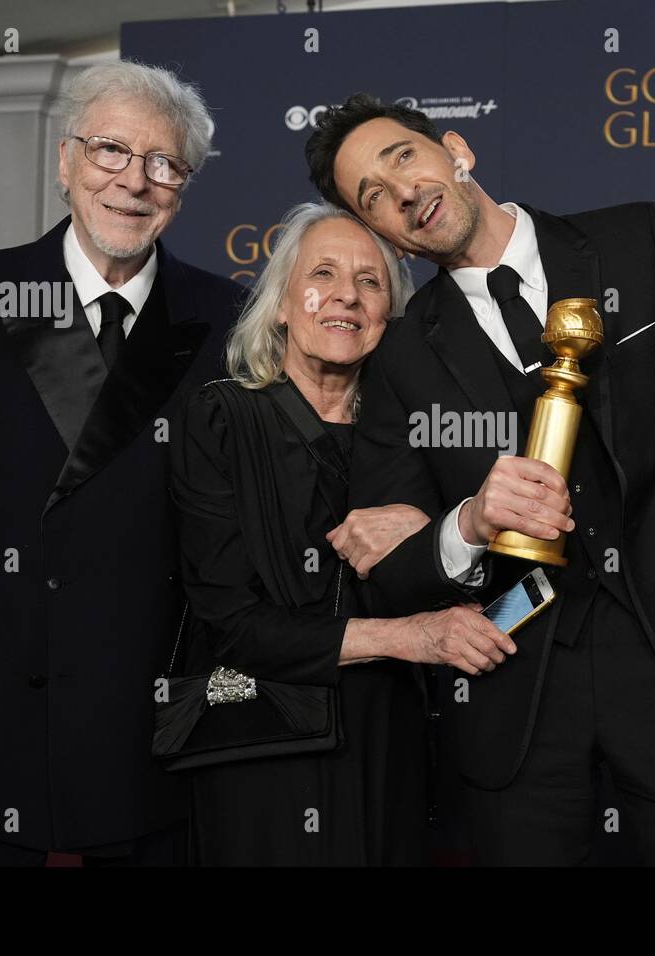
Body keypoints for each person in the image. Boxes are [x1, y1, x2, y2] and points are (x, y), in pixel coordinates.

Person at [305, 94, 655, 865]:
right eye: (371, 198)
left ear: (455, 149)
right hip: (516, 700)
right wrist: (467, 523)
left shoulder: (633, 242)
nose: (401, 193)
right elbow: (392, 574)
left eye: (402, 159)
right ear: (381, 232)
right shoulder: (404, 355)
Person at [0, 61, 242, 865]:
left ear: (184, 186)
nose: (135, 181)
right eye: (109, 151)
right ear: (64, 161)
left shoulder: (228, 315)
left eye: (164, 163)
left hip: (158, 740)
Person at [170, 201, 514, 865]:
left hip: (393, 744)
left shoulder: (424, 439)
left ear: (391, 317)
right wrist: (409, 638)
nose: (345, 298)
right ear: (279, 303)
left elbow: (491, 584)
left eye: (370, 281)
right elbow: (231, 622)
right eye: (321, 273)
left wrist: (435, 528)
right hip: (259, 747)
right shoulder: (220, 421)